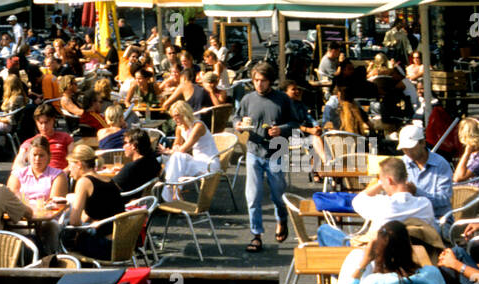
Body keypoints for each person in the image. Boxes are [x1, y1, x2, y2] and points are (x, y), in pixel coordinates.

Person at [235, 61, 301, 252]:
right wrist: (239, 124)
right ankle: (256, 235)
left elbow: (296, 123)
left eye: (263, 81)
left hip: (277, 151)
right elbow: (236, 118)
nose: (259, 84)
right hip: (254, 150)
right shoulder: (248, 99)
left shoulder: (282, 99)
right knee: (252, 196)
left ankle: (282, 219)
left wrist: (282, 129)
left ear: (270, 81)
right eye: (256, 80)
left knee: (278, 195)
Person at [316, 156, 437, 246]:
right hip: (414, 257)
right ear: (406, 177)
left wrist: (379, 183)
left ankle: (342, 278)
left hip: (377, 258)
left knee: (324, 230)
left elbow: (357, 201)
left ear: (388, 180)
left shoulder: (382, 204)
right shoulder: (425, 204)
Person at [61, 144, 125, 258]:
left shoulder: (84, 182)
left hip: (104, 246)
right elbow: (97, 212)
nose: (69, 170)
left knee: (61, 233)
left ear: (79, 164)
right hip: (122, 243)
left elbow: (74, 221)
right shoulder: (108, 179)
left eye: (70, 165)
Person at [160, 100, 219, 201]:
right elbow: (176, 146)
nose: (174, 119)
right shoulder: (179, 128)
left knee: (177, 157)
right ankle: (175, 193)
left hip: (209, 163)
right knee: (177, 157)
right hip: (196, 161)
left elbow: (183, 148)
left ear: (185, 113)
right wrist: (174, 149)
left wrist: (169, 151)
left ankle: (171, 190)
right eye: (173, 116)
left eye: (177, 115)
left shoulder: (198, 126)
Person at [396, 123, 453, 219]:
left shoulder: (441, 164)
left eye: (411, 148)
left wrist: (417, 192)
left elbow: (445, 199)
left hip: (437, 218)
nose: (408, 153)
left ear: (423, 143)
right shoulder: (402, 163)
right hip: (409, 216)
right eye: (404, 149)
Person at [11, 104, 75, 171]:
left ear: (53, 120)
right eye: (41, 123)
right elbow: (17, 164)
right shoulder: (30, 142)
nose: (44, 127)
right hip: (38, 177)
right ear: (36, 122)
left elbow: (73, 160)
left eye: (46, 122)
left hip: (60, 175)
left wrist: (64, 173)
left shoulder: (65, 138)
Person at [8, 136, 68, 203]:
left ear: (49, 156)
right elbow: (11, 202)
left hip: (47, 211)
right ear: (28, 156)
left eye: (41, 155)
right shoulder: (17, 174)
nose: (37, 159)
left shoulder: (58, 175)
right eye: (34, 155)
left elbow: (54, 204)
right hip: (21, 211)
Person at [114, 129, 162, 194]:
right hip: (144, 200)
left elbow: (111, 186)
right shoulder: (153, 162)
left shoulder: (131, 168)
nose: (123, 146)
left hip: (126, 201)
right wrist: (122, 172)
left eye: (125, 143)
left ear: (134, 145)